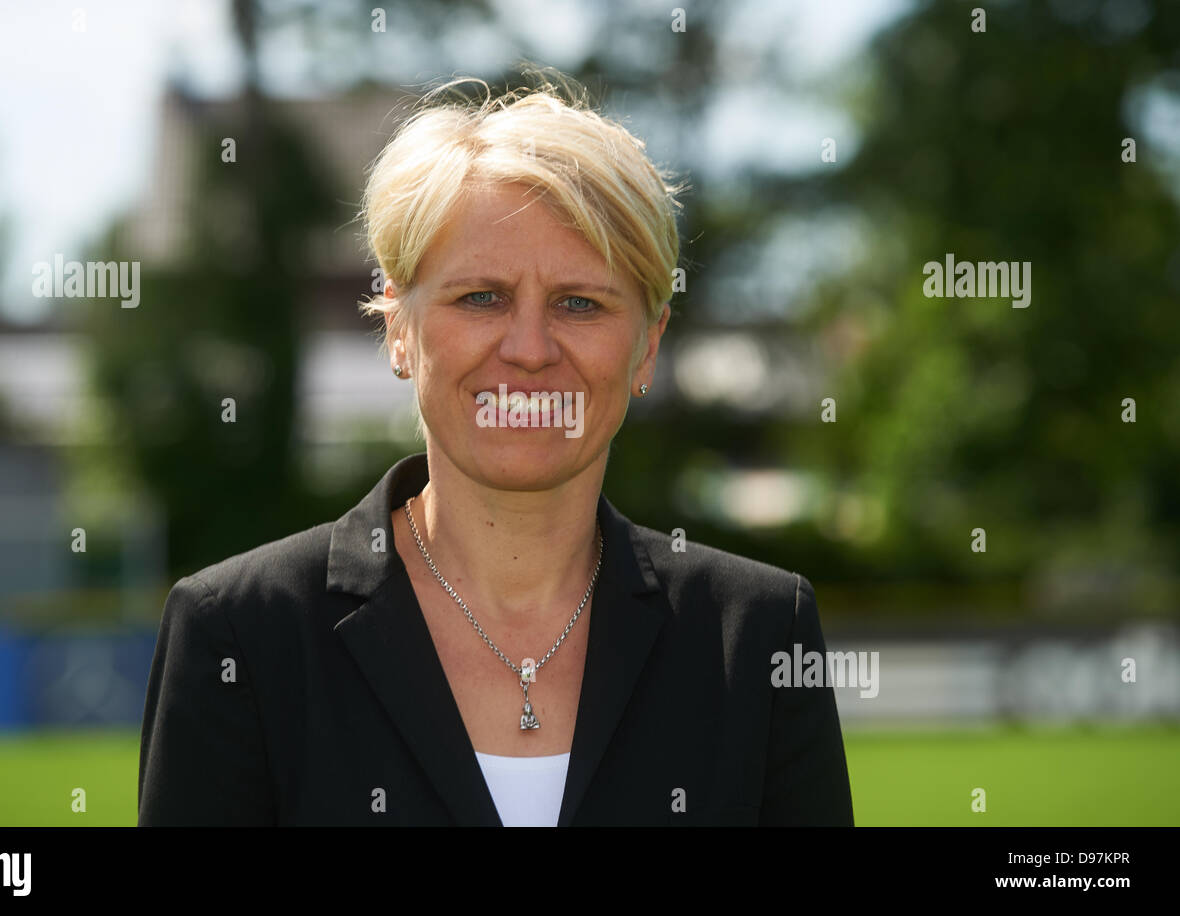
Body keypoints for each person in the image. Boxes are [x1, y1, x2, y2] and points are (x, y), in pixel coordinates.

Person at [138, 68, 854, 826]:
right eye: (481, 297)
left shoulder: (758, 634)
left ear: (648, 347)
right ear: (399, 329)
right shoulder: (240, 634)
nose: (530, 348)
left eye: (580, 303)